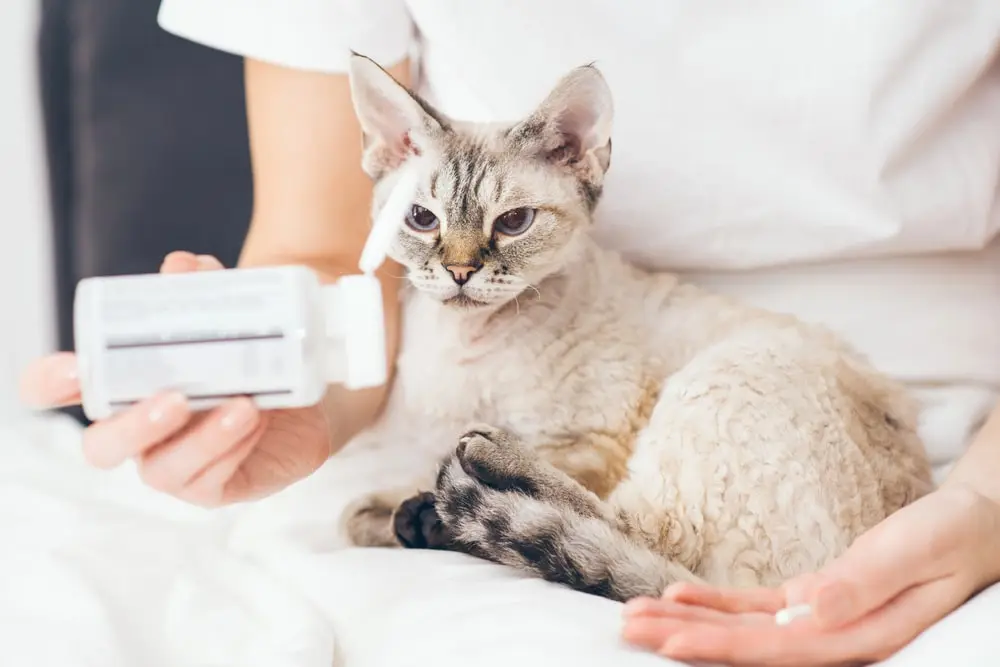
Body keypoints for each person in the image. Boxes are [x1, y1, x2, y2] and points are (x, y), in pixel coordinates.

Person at [19, 2, 1000, 664]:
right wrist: (297, 382)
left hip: (949, 464)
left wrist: (987, 502)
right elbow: (323, 245)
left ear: (582, 156)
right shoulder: (426, 228)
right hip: (432, 422)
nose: (456, 261)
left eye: (501, 225)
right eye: (427, 228)